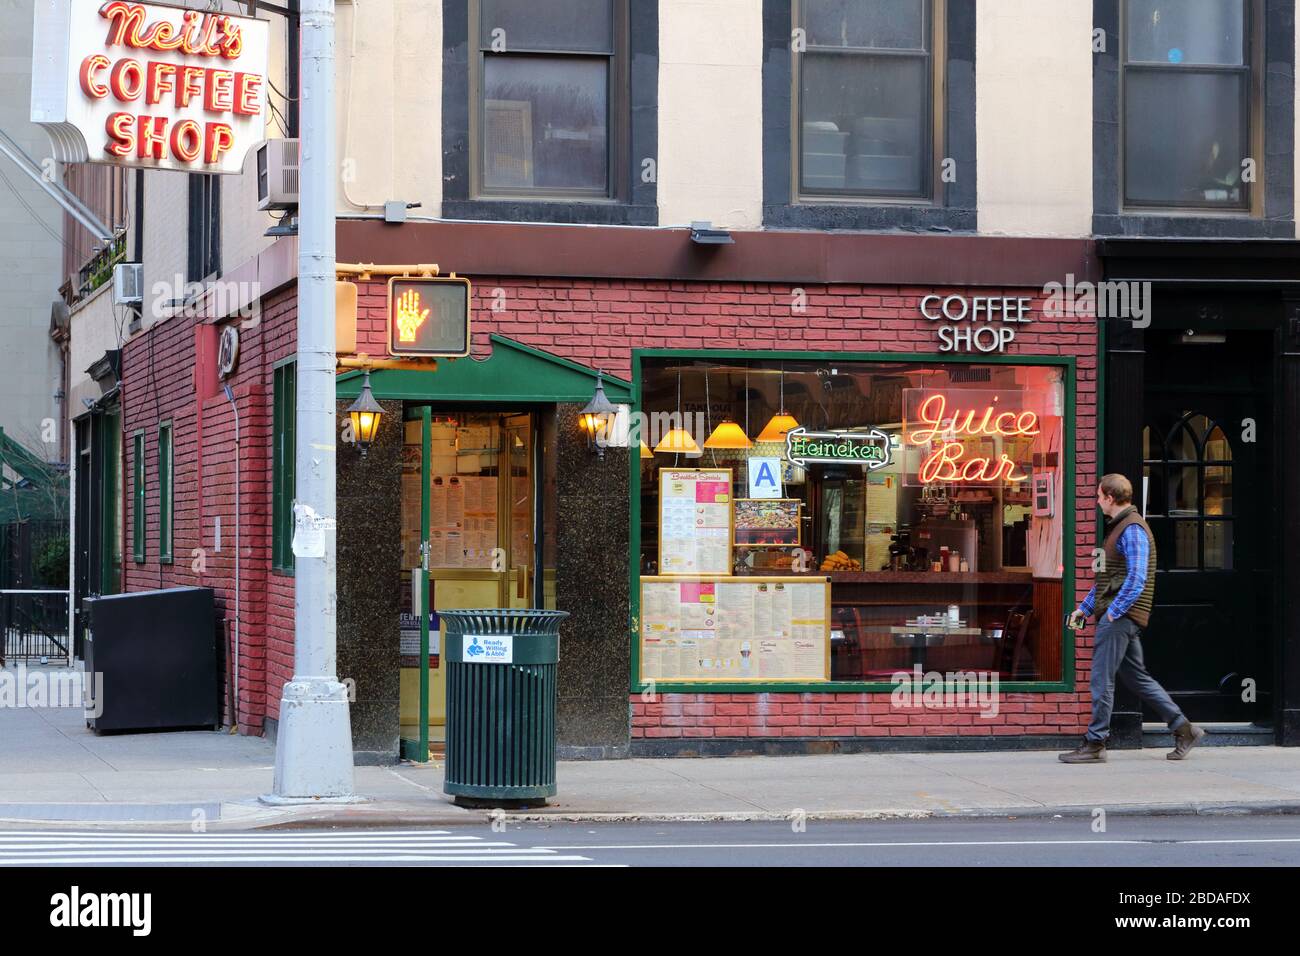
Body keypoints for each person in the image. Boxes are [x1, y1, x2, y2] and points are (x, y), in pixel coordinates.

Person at [1060, 474, 1205, 764]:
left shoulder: (1132, 529)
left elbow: (1137, 579)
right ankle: (1184, 728)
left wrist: (1114, 612)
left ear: (1109, 498)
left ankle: (1095, 742)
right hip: (1120, 615)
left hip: (1120, 618)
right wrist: (1084, 610)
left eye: (1099, 496)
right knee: (1138, 679)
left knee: (1102, 679)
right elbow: (1107, 579)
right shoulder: (1120, 528)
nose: (1097, 501)